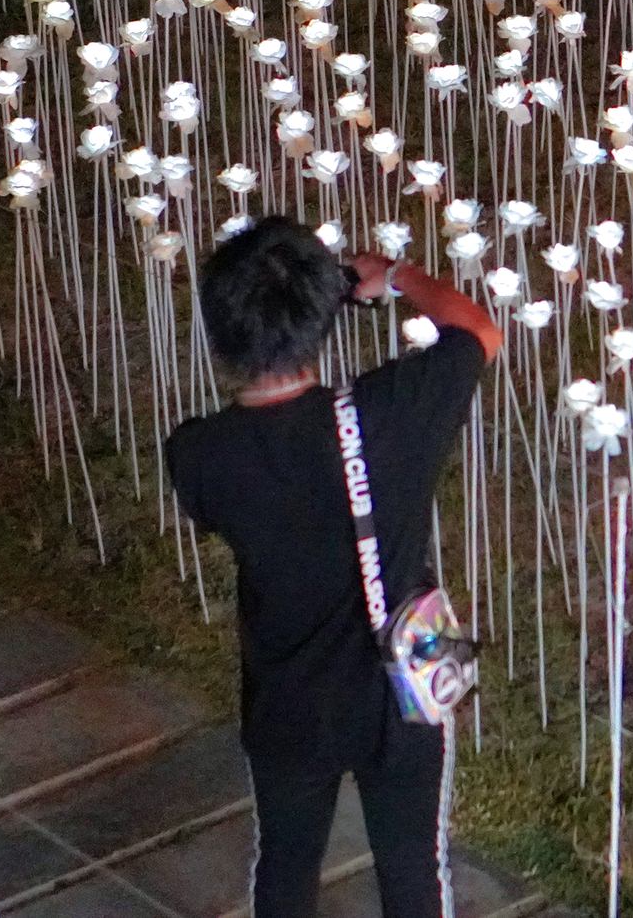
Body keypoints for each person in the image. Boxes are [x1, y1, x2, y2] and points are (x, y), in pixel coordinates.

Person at [167, 217, 504, 918]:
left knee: (285, 867)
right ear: (324, 312)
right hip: (399, 693)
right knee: (415, 873)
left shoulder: (198, 454)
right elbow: (478, 332)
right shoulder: (391, 413)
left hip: (286, 700)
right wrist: (393, 276)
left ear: (221, 333)